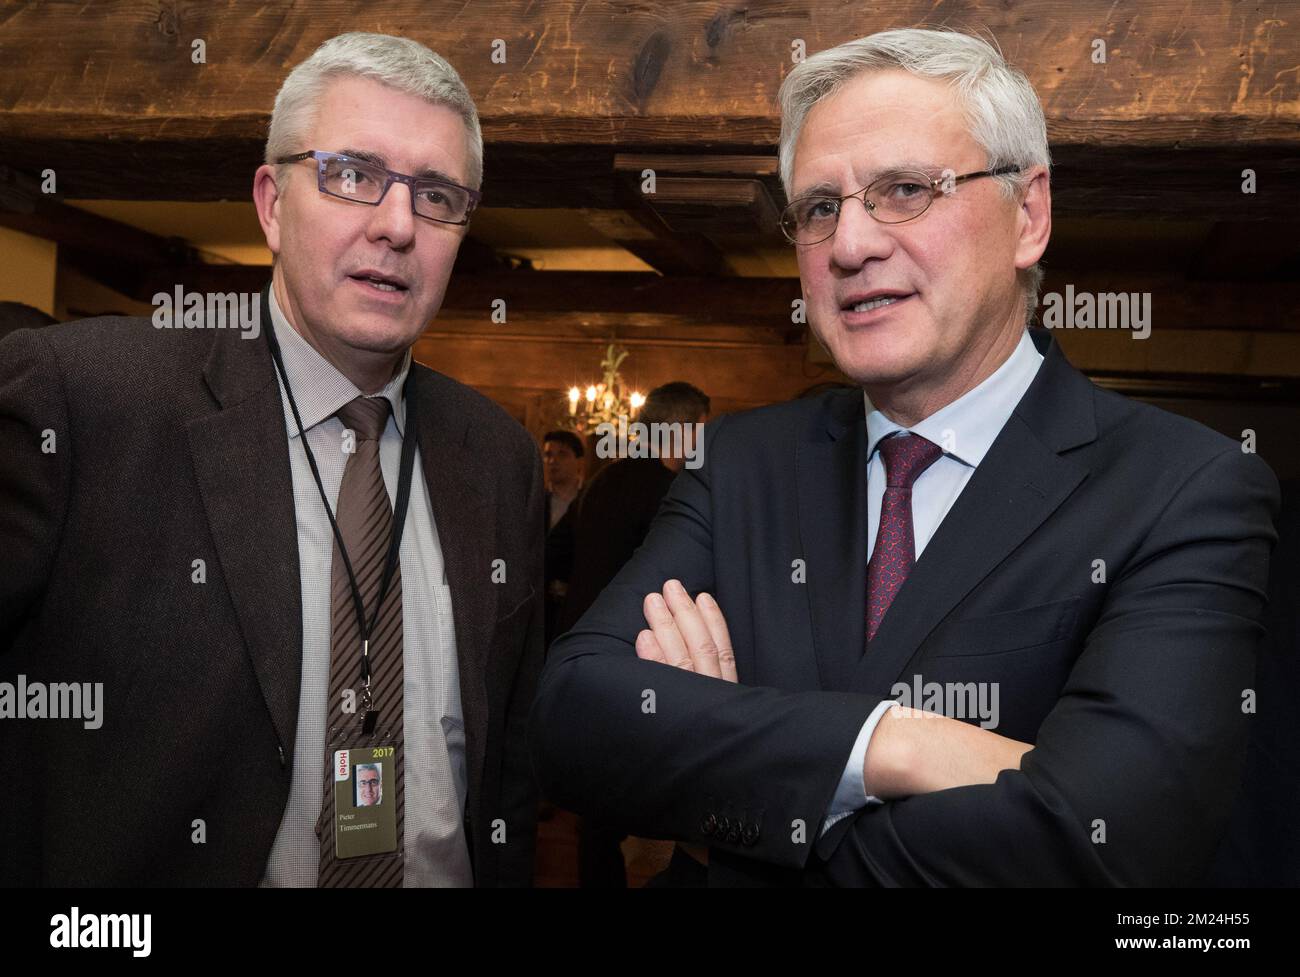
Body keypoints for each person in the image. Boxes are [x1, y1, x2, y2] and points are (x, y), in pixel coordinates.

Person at [529, 27, 1279, 887]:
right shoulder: (741, 464)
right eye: (818, 207)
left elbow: (1106, 843)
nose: (849, 245)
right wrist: (896, 741)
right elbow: (572, 715)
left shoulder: (1183, 489)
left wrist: (730, 812)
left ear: (1028, 214)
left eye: (905, 190)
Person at [0, 32, 543, 887]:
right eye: (353, 174)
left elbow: (507, 758)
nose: (397, 225)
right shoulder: (90, 399)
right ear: (271, 202)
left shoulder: (499, 456)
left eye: (436, 195)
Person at [554, 381, 709, 886]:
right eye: (701, 431)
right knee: (640, 820)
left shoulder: (601, 480)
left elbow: (555, 558)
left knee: (597, 816)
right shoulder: (672, 493)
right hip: (637, 670)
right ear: (684, 429)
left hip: (580, 660)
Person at [541, 430, 584, 650]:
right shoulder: (535, 501)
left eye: (562, 454)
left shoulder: (591, 500)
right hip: (541, 604)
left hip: (580, 601)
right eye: (548, 455)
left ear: (578, 461)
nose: (553, 461)